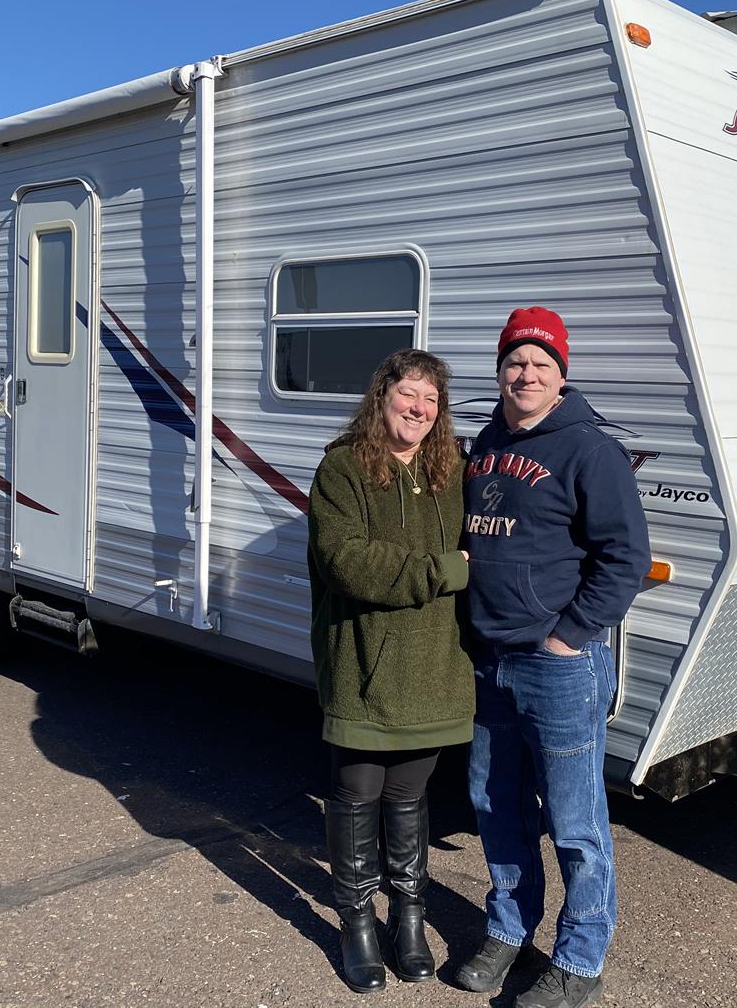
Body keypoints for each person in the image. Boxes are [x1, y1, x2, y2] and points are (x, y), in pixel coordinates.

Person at [457, 307, 652, 1008]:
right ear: (500, 371)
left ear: (561, 375)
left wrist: (570, 634)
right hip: (491, 661)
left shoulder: (589, 450)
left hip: (558, 665)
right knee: (495, 803)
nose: (525, 373)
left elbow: (625, 556)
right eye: (515, 361)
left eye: (540, 363)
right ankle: (509, 928)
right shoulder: (484, 443)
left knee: (575, 820)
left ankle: (579, 959)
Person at [307, 348, 474, 994]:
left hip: (434, 667)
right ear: (383, 396)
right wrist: (445, 570)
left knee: (409, 798)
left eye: (432, 399)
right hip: (363, 667)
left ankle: (408, 918)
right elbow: (347, 560)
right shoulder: (343, 468)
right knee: (355, 796)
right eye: (409, 392)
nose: (420, 408)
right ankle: (356, 924)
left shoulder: (450, 472)